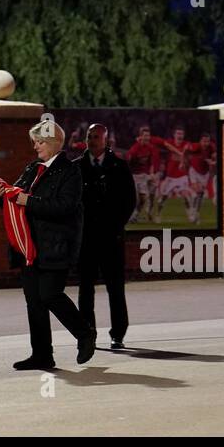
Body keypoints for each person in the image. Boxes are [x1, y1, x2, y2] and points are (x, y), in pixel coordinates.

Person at [0, 120, 96, 369]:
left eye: (39, 142)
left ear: (53, 143)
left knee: (50, 295)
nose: (35, 146)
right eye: (35, 142)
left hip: (56, 246)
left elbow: (65, 207)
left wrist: (29, 201)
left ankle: (84, 333)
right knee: (34, 301)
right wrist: (1, 196)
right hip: (30, 247)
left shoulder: (70, 171)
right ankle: (41, 355)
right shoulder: (32, 168)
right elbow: (17, 198)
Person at [76, 123, 137, 350]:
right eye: (89, 136)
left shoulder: (119, 166)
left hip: (111, 238)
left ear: (105, 140)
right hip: (86, 238)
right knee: (85, 288)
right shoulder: (77, 167)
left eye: (96, 137)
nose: (91, 140)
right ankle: (87, 333)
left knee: (115, 288)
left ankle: (118, 333)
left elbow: (129, 201)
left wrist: (115, 226)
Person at [126, 125, 161, 222]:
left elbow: (151, 163)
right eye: (145, 136)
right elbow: (128, 162)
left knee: (143, 198)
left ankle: (135, 215)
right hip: (133, 176)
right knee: (134, 198)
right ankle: (129, 215)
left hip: (143, 176)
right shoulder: (134, 149)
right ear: (140, 136)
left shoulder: (150, 148)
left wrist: (152, 174)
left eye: (148, 136)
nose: (147, 138)